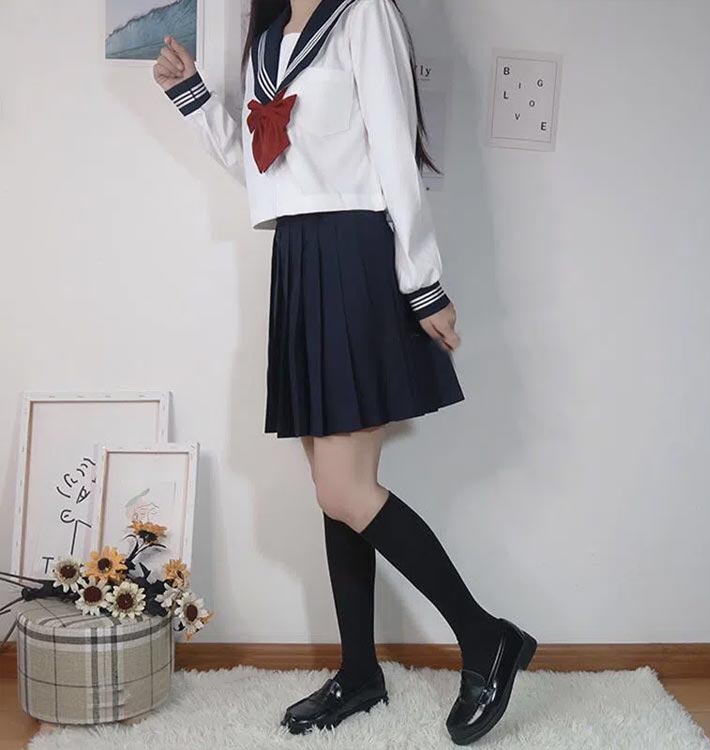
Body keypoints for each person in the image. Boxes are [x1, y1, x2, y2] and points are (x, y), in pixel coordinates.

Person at [153, 0, 535, 743]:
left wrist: (423, 282)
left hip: (357, 254)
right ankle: (360, 672)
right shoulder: (268, 39)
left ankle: (486, 636)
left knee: (344, 487)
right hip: (298, 258)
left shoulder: (364, 16)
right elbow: (264, 166)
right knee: (334, 495)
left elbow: (394, 151)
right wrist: (192, 95)